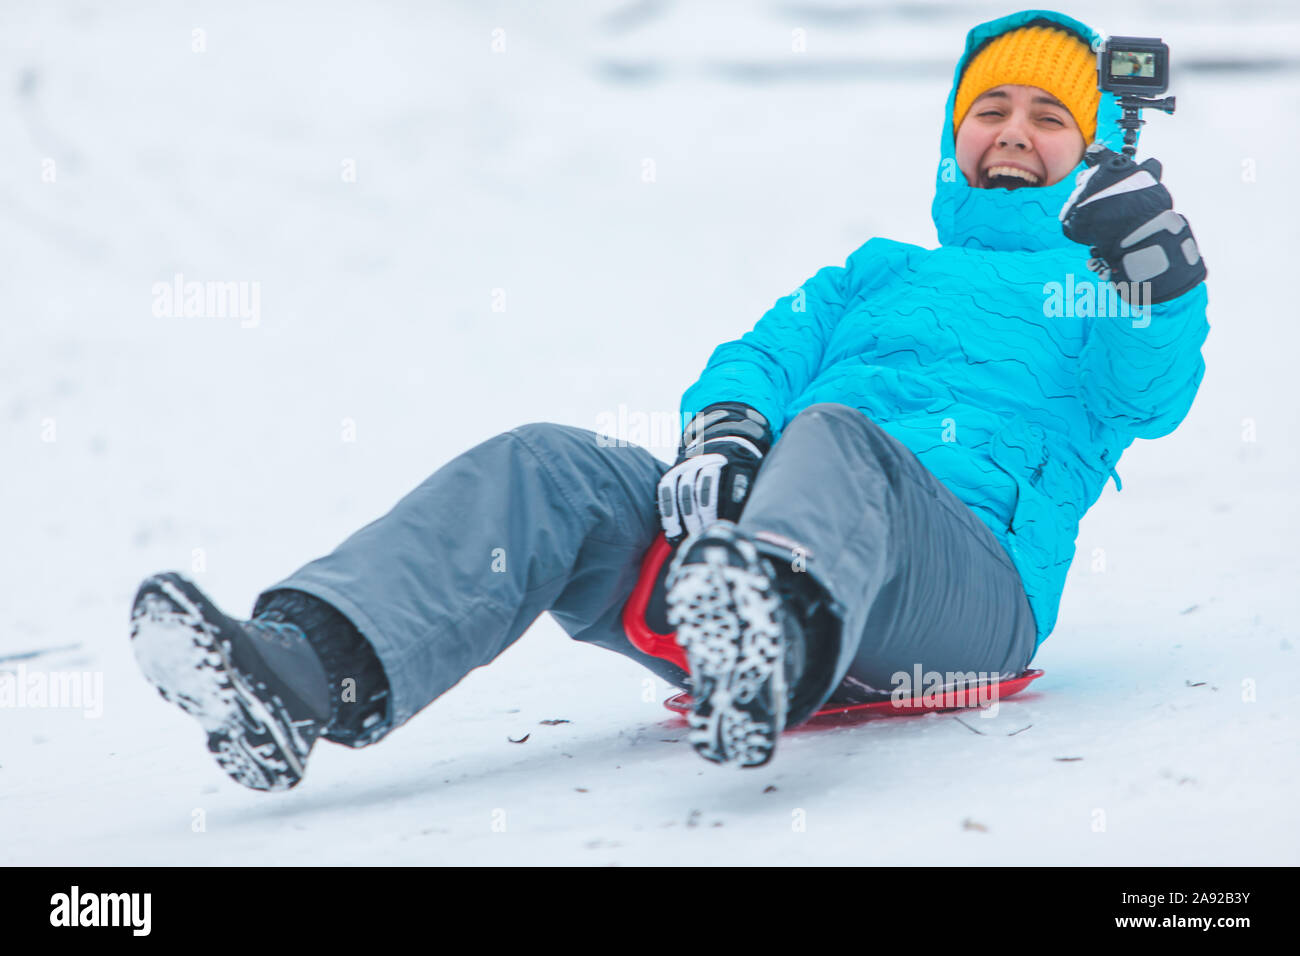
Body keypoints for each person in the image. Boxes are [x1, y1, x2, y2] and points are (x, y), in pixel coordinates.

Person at [129, 9, 1208, 788]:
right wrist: (728, 434)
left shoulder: (1099, 283)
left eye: (1046, 116)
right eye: (989, 108)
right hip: (758, 551)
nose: (1012, 130)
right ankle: (304, 668)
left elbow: (1150, 393)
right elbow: (759, 356)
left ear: (1096, 147)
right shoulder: (875, 271)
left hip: (961, 593)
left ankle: (768, 639)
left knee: (840, 434)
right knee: (546, 463)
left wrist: (1156, 276)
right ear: (951, 137)